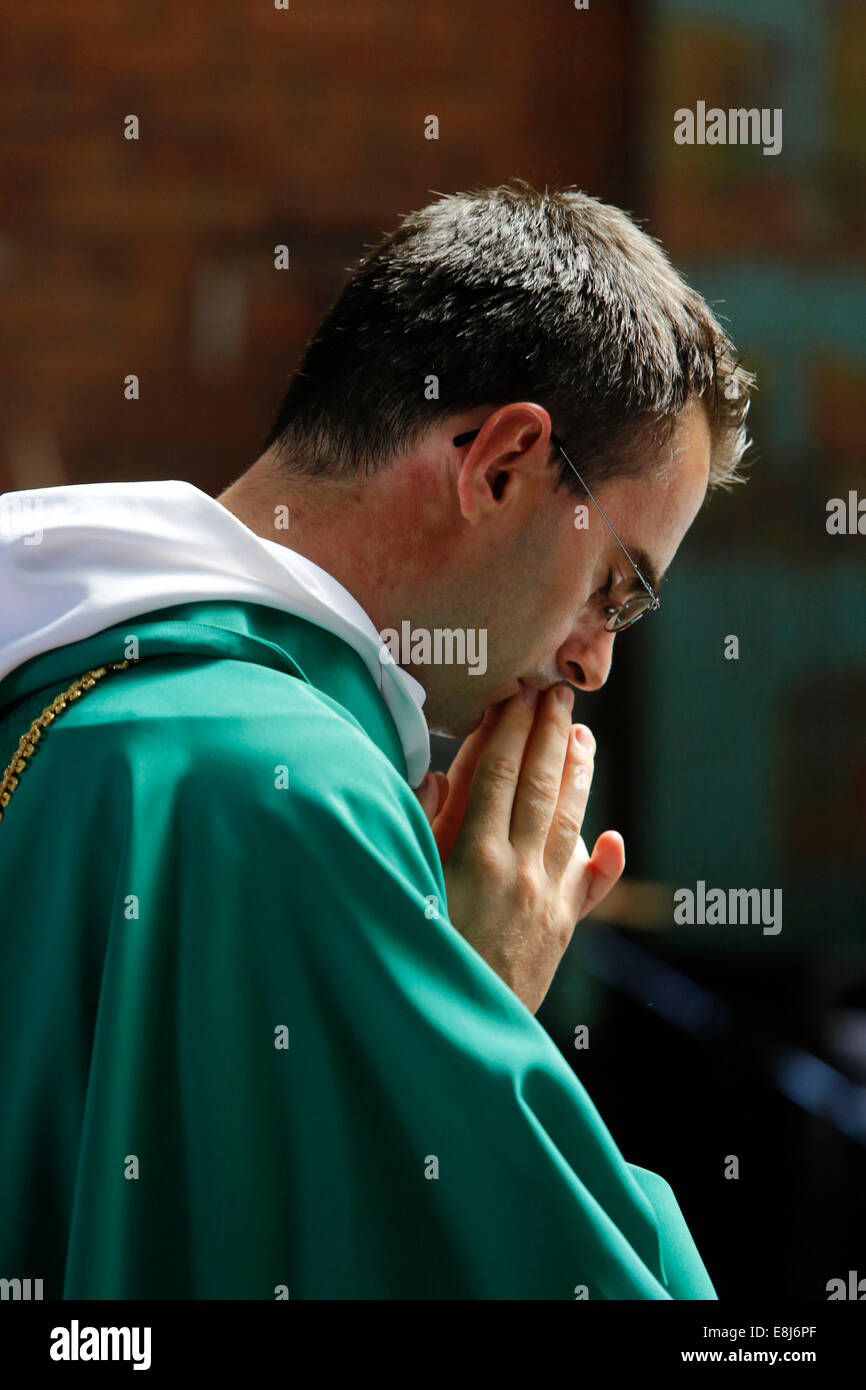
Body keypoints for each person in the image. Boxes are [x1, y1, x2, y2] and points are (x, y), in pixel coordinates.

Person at [0, 180, 753, 1299]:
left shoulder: (53, 654)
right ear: (500, 463)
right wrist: (469, 1011)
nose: (593, 662)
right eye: (615, 589)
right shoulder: (290, 793)